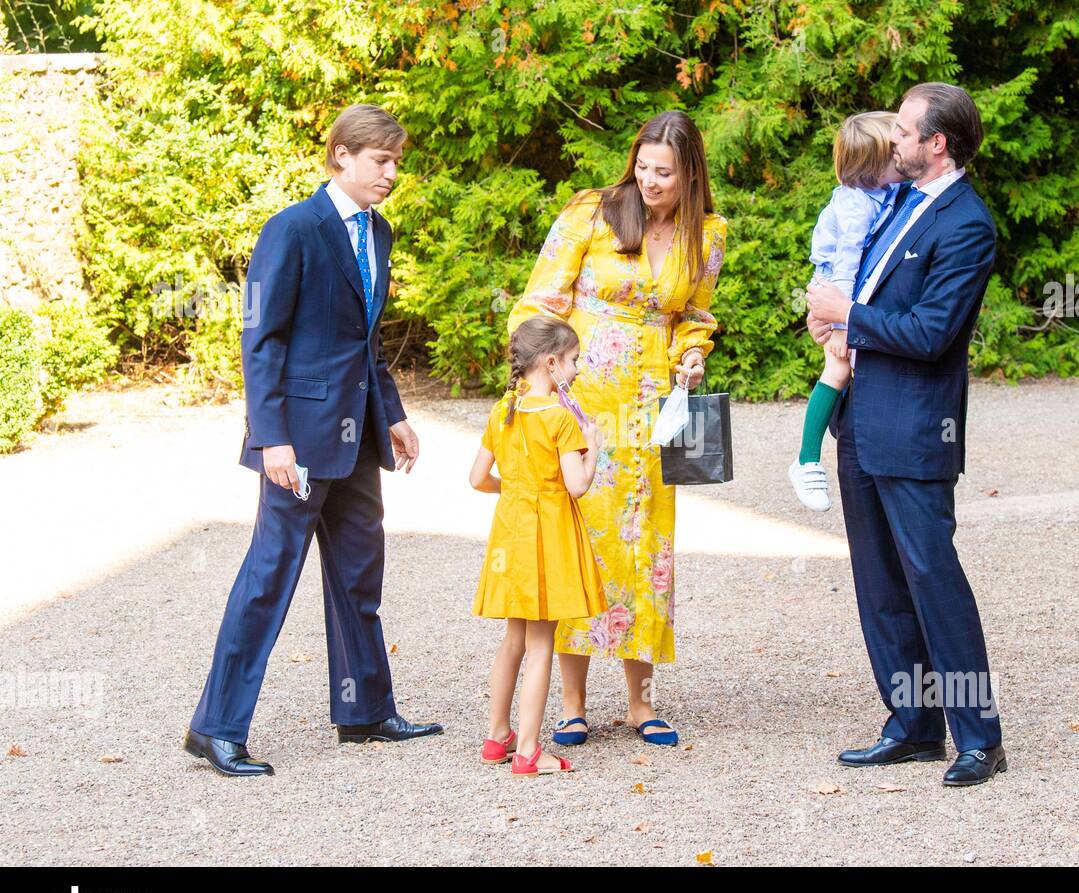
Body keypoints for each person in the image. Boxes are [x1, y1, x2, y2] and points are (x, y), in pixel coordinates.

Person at [183, 105, 442, 777]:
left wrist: (393, 413)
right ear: (342, 157)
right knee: (269, 578)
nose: (392, 172)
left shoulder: (378, 234)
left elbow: (366, 341)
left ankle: (363, 709)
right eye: (381, 160)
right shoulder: (292, 229)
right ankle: (215, 729)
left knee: (360, 577)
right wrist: (271, 440)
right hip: (295, 444)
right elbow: (259, 340)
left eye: (397, 161)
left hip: (356, 442)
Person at [804, 83, 1007, 786]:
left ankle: (978, 737)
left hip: (919, 426)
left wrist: (848, 314)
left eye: (904, 129)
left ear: (937, 143)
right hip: (860, 418)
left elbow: (931, 333)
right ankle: (914, 724)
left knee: (932, 578)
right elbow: (859, 281)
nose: (892, 138)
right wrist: (830, 316)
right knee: (879, 581)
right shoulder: (896, 201)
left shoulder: (966, 224)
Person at [505, 110, 727, 748]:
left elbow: (695, 314)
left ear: (690, 175)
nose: (650, 181)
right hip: (583, 399)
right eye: (643, 166)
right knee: (581, 541)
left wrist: (692, 353)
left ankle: (640, 701)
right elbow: (540, 300)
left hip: (656, 407)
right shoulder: (592, 213)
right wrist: (538, 389)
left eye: (666, 172)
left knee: (646, 548)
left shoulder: (705, 235)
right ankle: (572, 704)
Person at [470, 318, 607, 776]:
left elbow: (477, 479)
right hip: (547, 537)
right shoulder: (561, 419)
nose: (577, 368)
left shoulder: (503, 410)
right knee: (541, 643)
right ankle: (529, 750)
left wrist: (515, 490)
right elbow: (577, 486)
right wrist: (594, 451)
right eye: (572, 360)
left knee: (513, 638)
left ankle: (497, 737)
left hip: (511, 533)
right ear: (551, 362)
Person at [790, 111, 904, 512]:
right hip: (838, 284)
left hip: (844, 288)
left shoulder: (880, 191)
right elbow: (846, 264)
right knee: (837, 369)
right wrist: (841, 325)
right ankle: (805, 460)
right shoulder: (857, 205)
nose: (902, 159)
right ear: (874, 169)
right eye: (895, 155)